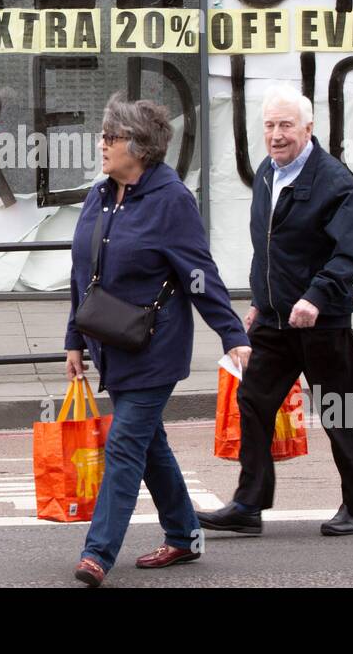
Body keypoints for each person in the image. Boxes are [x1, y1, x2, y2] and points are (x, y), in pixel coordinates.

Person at [65, 94, 251, 587]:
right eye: (103, 136)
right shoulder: (101, 194)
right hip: (110, 343)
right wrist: (74, 341)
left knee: (125, 444)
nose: (102, 144)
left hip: (154, 348)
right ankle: (185, 535)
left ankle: (97, 554)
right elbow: (80, 271)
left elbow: (199, 273)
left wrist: (232, 333)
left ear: (140, 147)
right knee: (150, 447)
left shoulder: (172, 202)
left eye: (111, 137)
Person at [195, 84, 353, 538]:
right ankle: (249, 505)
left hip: (323, 322)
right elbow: (267, 248)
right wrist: (259, 300)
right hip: (275, 321)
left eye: (286, 126)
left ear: (309, 129)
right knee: (253, 402)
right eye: (270, 125)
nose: (276, 135)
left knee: (340, 412)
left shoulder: (335, 182)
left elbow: (349, 256)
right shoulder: (267, 173)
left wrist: (315, 297)